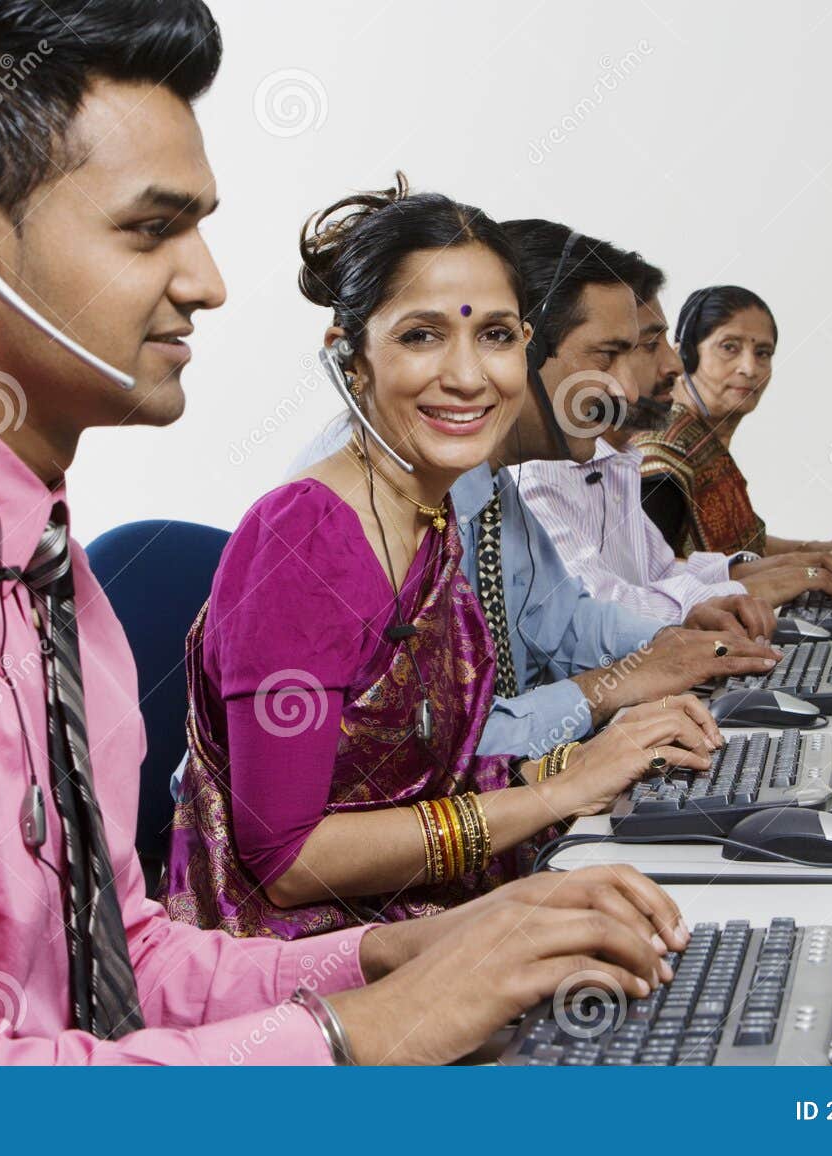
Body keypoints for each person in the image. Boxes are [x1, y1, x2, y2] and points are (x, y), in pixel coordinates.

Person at [0, 0, 689, 1066]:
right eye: (152, 229)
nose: (208, 282)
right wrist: (354, 1032)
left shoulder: (35, 560)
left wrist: (403, 957)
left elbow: (114, 962)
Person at [166, 180, 724, 939]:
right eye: (422, 335)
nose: (468, 376)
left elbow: (430, 780)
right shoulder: (302, 540)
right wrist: (556, 793)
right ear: (351, 359)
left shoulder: (432, 514)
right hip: (311, 969)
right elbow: (290, 861)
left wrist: (589, 768)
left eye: (495, 335)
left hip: (424, 917)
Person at [444, 221, 783, 760]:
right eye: (606, 357)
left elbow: (563, 619)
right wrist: (610, 689)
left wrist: (666, 640)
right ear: (513, 350)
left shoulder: (493, 489)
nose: (629, 390)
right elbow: (445, 748)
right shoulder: (392, 514)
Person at [516, 260, 832, 625]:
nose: (749, 369)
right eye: (643, 346)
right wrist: (747, 593)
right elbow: (594, 614)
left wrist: (785, 565)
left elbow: (660, 572)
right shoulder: (555, 473)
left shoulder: (619, 460)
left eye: (763, 353)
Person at [636, 286, 832, 592]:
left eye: (763, 353)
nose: (749, 368)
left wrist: (817, 550)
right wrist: (795, 571)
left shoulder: (699, 437)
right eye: (729, 347)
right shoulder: (660, 461)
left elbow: (740, 547)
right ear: (684, 353)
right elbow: (652, 581)